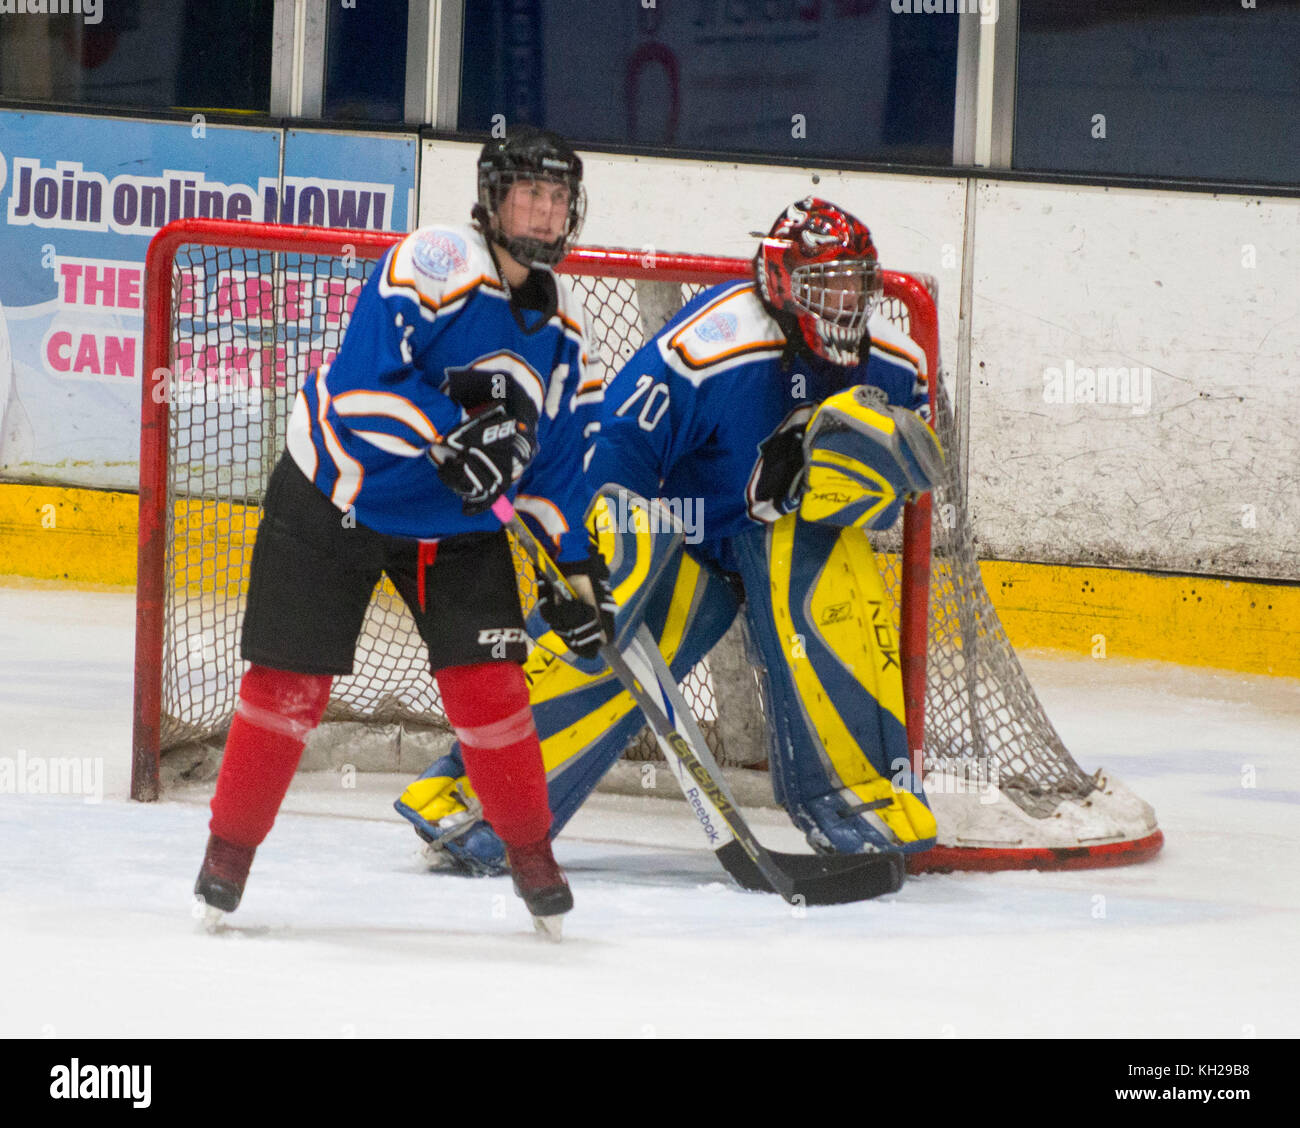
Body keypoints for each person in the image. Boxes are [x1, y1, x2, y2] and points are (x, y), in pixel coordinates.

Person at [396, 197, 944, 877]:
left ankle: (864, 797)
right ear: (780, 281)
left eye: (855, 284)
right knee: (605, 613)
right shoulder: (710, 347)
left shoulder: (896, 363)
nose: (844, 303)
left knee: (834, 586)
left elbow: (899, 491)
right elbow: (617, 448)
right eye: (824, 285)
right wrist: (607, 553)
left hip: (789, 541)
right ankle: (478, 796)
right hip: (686, 539)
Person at [193, 127, 615, 932]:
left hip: (453, 527)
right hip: (334, 493)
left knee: (491, 691)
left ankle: (533, 860)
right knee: (287, 690)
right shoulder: (434, 262)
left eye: (558, 197)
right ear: (492, 200)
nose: (544, 211)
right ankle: (227, 857)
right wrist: (450, 436)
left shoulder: (565, 328)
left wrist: (571, 565)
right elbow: (361, 387)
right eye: (529, 193)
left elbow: (558, 462)